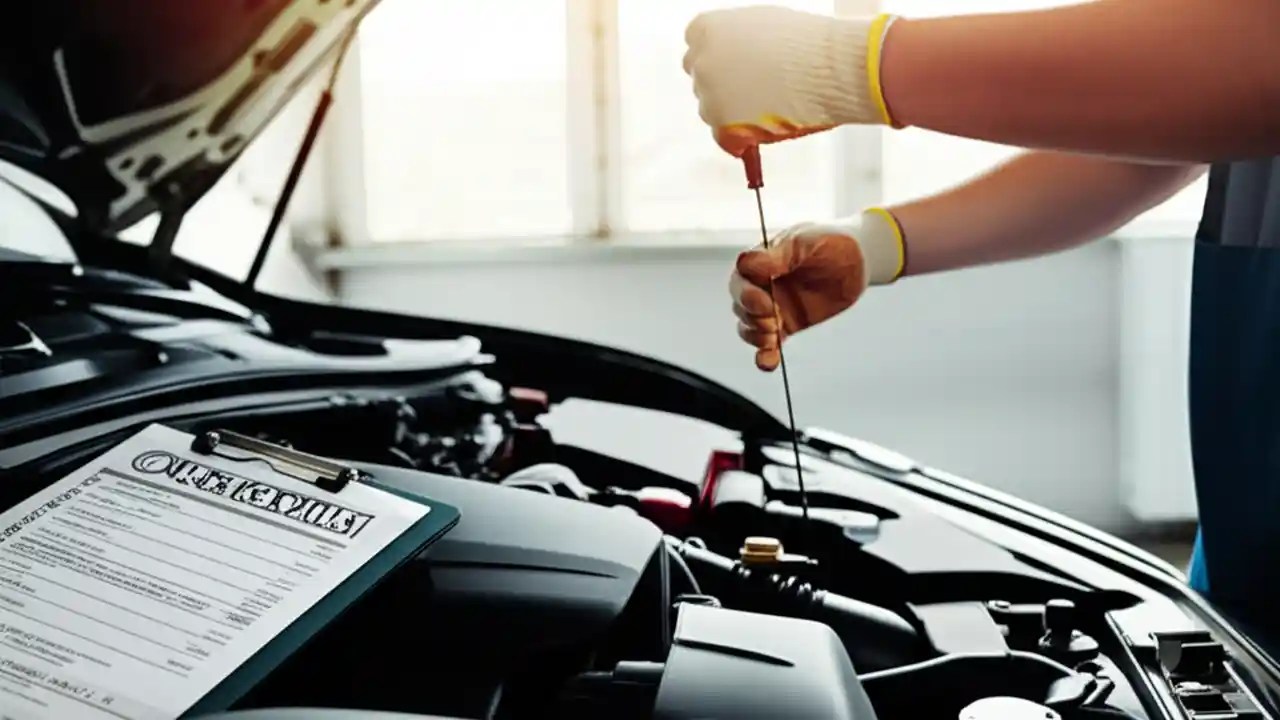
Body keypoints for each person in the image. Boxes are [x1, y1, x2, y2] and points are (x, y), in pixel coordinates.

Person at [683, 2, 1280, 648]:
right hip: (1247, 553)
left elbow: (1254, 68)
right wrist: (881, 243)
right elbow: (1179, 122)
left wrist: (852, 65)